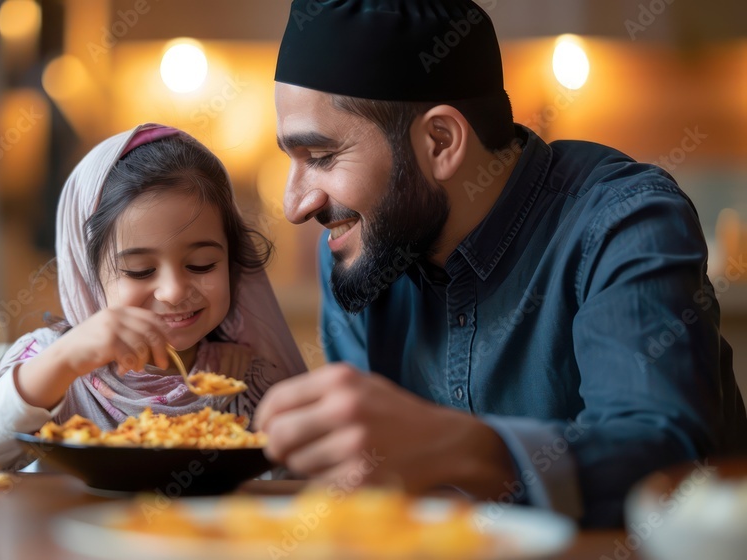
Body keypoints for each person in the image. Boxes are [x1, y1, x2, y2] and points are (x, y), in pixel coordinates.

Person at [254, 0, 747, 527]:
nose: (294, 205)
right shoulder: (361, 254)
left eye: (322, 157)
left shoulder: (622, 222)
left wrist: (458, 449)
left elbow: (663, 461)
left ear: (440, 141)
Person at [0, 124, 306, 472]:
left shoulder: (245, 380)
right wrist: (63, 360)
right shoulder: (52, 367)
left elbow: (290, 481)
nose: (172, 292)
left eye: (201, 265)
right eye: (140, 270)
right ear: (88, 275)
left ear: (231, 262)